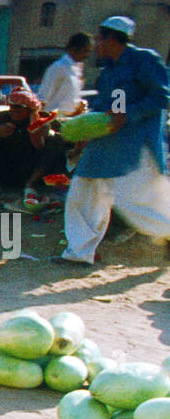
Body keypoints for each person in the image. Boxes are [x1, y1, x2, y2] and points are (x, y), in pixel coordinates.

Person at [61, 16, 170, 265]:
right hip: (106, 142)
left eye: (100, 38)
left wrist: (127, 114)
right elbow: (112, 103)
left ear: (110, 38)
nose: (97, 44)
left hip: (134, 144)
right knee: (83, 192)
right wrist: (87, 127)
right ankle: (79, 252)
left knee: (136, 201)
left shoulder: (144, 60)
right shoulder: (109, 69)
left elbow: (161, 97)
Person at [0, 87, 67, 203]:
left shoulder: (44, 118)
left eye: (18, 108)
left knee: (53, 146)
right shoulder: (3, 117)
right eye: (12, 107)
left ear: (30, 109)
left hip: (32, 167)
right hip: (6, 164)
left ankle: (30, 185)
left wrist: (47, 134)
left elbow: (65, 138)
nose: (13, 111)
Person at [38, 33, 92, 117]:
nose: (87, 55)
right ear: (74, 49)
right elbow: (43, 97)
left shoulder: (77, 70)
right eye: (85, 51)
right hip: (53, 121)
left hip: (71, 122)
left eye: (89, 51)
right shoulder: (58, 67)